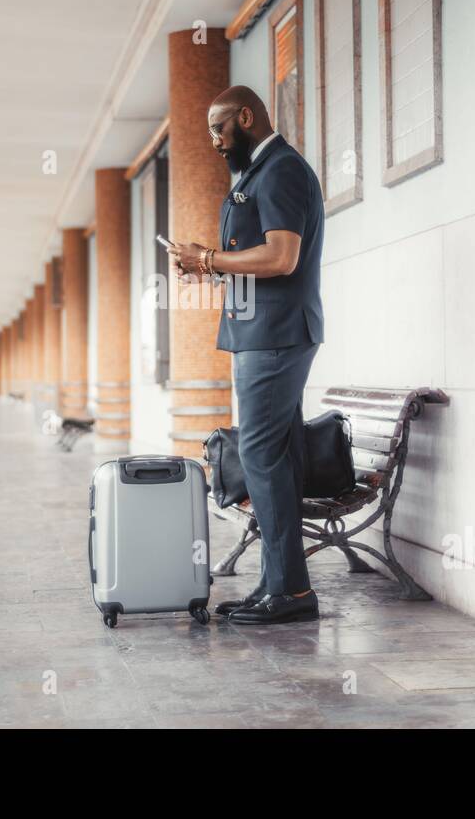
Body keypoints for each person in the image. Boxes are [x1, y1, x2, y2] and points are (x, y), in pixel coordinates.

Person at [168, 85, 325, 625]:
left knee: (258, 453)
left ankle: (291, 591)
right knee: (272, 456)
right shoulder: (257, 175)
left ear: (246, 116)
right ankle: (279, 586)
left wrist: (209, 259)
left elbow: (283, 257)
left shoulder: (281, 169)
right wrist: (204, 264)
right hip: (260, 332)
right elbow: (254, 260)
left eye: (219, 129)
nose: (214, 141)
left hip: (275, 335)